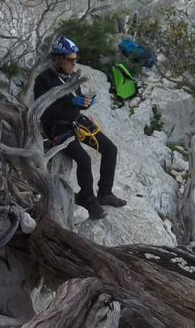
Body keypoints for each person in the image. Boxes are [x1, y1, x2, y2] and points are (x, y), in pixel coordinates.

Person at [34, 37, 127, 219]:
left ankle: (105, 192)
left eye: (75, 59)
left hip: (76, 121)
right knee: (84, 160)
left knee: (110, 150)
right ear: (58, 58)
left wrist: (84, 102)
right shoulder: (43, 80)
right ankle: (87, 198)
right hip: (57, 127)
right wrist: (72, 103)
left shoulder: (70, 75)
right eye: (70, 59)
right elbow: (44, 111)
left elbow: (75, 100)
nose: (73, 63)